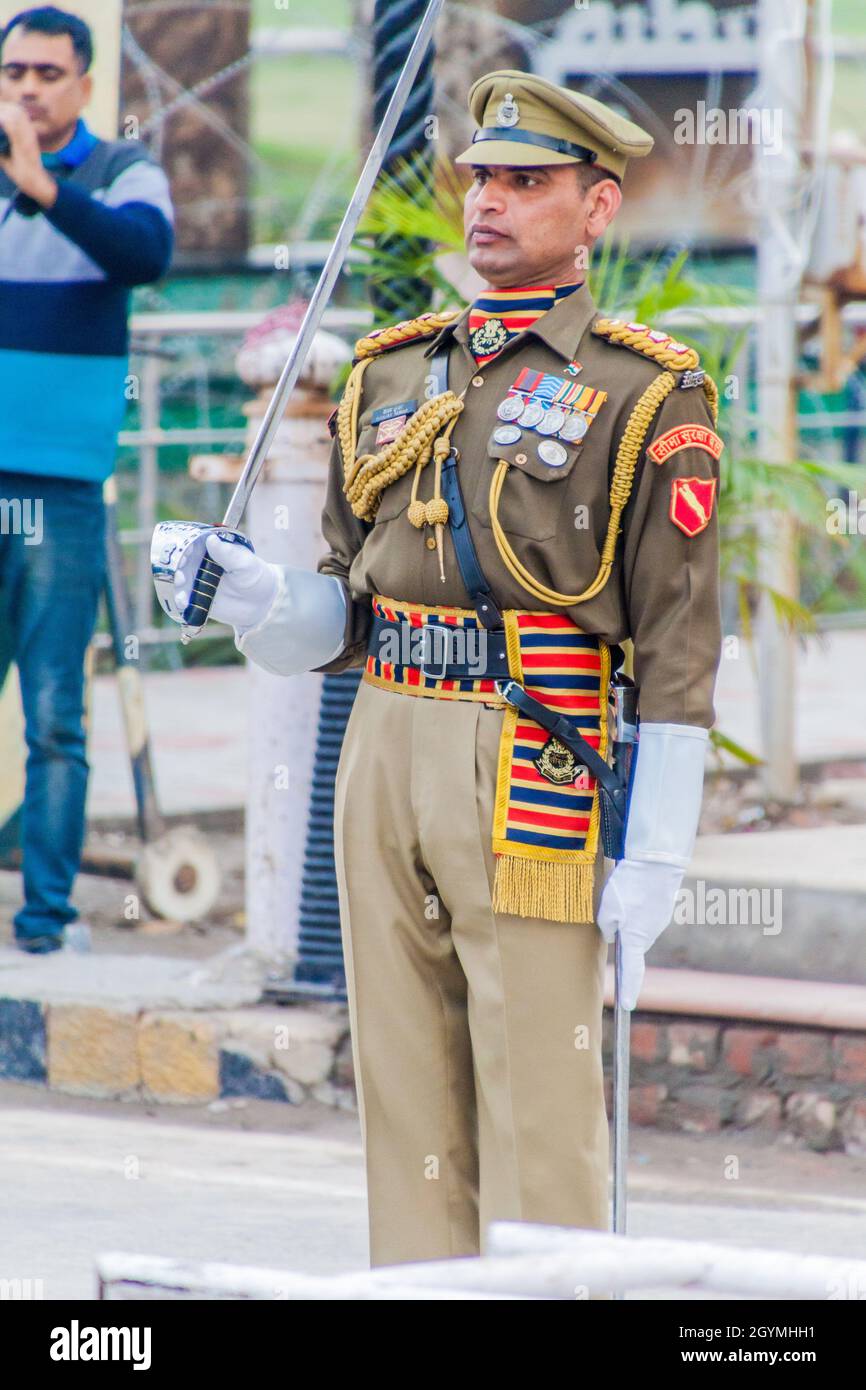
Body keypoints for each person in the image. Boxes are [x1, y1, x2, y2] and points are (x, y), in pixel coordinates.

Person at [175, 71, 723, 1273]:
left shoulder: (641, 390)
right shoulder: (388, 371)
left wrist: (659, 849)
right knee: (404, 1085)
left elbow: (678, 644)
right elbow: (342, 604)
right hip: (382, 735)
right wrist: (253, 601)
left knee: (535, 1087)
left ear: (595, 210)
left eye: (527, 184)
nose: (488, 204)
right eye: (480, 179)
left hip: (532, 746)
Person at [0, 6, 174, 953]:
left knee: (56, 717)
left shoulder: (119, 173)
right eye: (12, 71)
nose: (27, 88)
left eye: (47, 73)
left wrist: (47, 190)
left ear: (83, 84)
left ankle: (45, 917)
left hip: (61, 492)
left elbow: (146, 257)